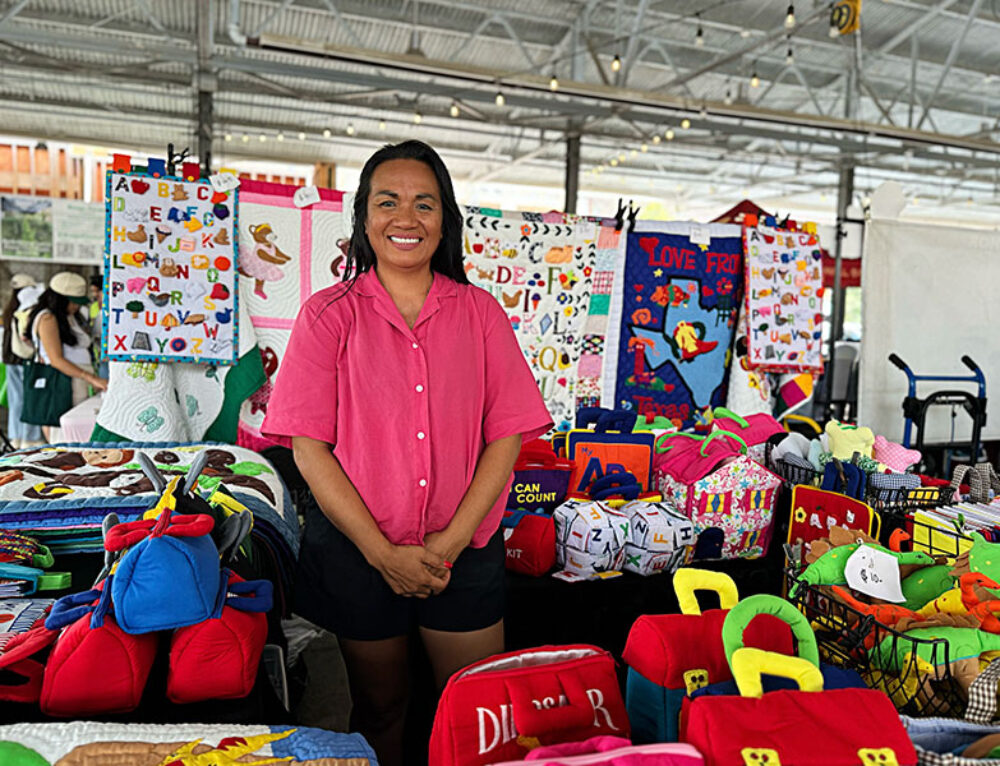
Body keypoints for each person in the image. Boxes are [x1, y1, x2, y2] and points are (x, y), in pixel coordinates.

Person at [262, 140, 551, 766]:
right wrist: (381, 553)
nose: (406, 217)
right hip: (359, 552)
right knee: (381, 710)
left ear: (445, 218)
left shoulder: (479, 314)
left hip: (463, 553)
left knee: (473, 714)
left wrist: (447, 544)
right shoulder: (328, 316)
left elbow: (506, 435)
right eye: (387, 201)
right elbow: (310, 450)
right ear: (364, 217)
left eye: (425, 203)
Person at [27, 271, 108, 442]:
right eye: (73, 302)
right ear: (60, 299)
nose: (76, 307)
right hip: (63, 381)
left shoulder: (72, 317)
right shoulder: (47, 318)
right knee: (64, 435)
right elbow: (56, 359)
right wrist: (92, 378)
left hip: (80, 380)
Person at [1, 274, 44, 448]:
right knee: (29, 399)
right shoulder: (28, 308)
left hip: (10, 359)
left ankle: (15, 436)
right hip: (25, 359)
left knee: (16, 399)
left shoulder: (8, 309)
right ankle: (30, 437)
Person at [87, 274, 108, 380]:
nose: (95, 294)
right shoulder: (93, 307)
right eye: (93, 291)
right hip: (97, 353)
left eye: (98, 291)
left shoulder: (112, 307)